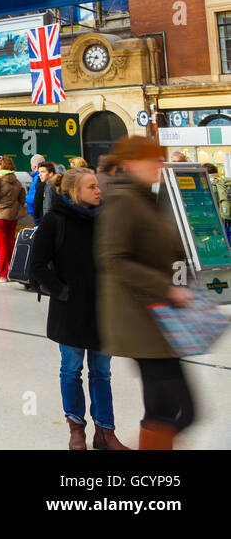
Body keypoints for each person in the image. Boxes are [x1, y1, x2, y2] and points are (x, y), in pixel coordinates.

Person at [97, 136, 196, 450]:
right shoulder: (124, 201)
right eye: (153, 160)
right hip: (139, 319)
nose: (160, 166)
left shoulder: (144, 198)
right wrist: (165, 287)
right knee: (172, 408)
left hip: (156, 317)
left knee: (171, 408)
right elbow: (112, 258)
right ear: (130, 164)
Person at [31, 167, 128, 450]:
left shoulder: (107, 220)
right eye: (91, 187)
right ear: (75, 191)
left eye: (98, 185)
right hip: (69, 310)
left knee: (102, 372)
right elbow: (37, 265)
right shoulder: (55, 221)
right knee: (71, 370)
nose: (99, 191)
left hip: (103, 310)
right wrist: (62, 291)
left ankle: (105, 432)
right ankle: (76, 429)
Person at [0, 155, 26, 282]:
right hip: (13, 216)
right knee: (11, 243)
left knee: (1, 245)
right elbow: (22, 197)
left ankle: (3, 273)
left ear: (2, 166)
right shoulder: (16, 180)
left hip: (0, 216)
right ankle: (13, 271)